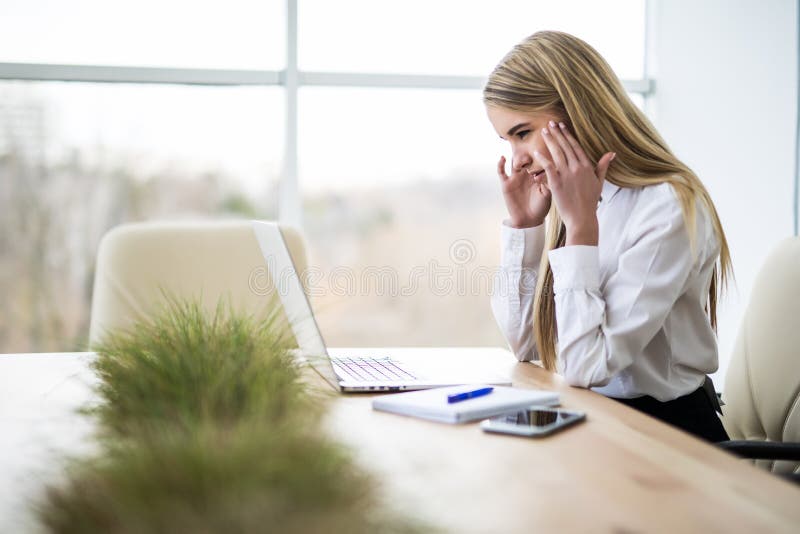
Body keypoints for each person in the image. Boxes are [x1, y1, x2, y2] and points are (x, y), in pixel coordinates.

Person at [484, 30, 732, 442]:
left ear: (577, 112)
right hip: (600, 421)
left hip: (669, 435)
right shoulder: (580, 196)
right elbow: (524, 344)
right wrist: (526, 229)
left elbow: (587, 366)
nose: (518, 159)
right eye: (507, 140)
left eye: (523, 132)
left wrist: (580, 230)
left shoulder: (667, 206)